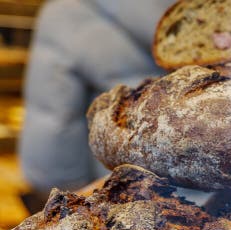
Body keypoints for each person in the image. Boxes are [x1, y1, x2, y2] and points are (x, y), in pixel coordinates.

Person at [19, 0, 174, 197]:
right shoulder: (214, 14)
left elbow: (52, 144)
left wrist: (74, 201)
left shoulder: (67, 12)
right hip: (219, 209)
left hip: (123, 204)